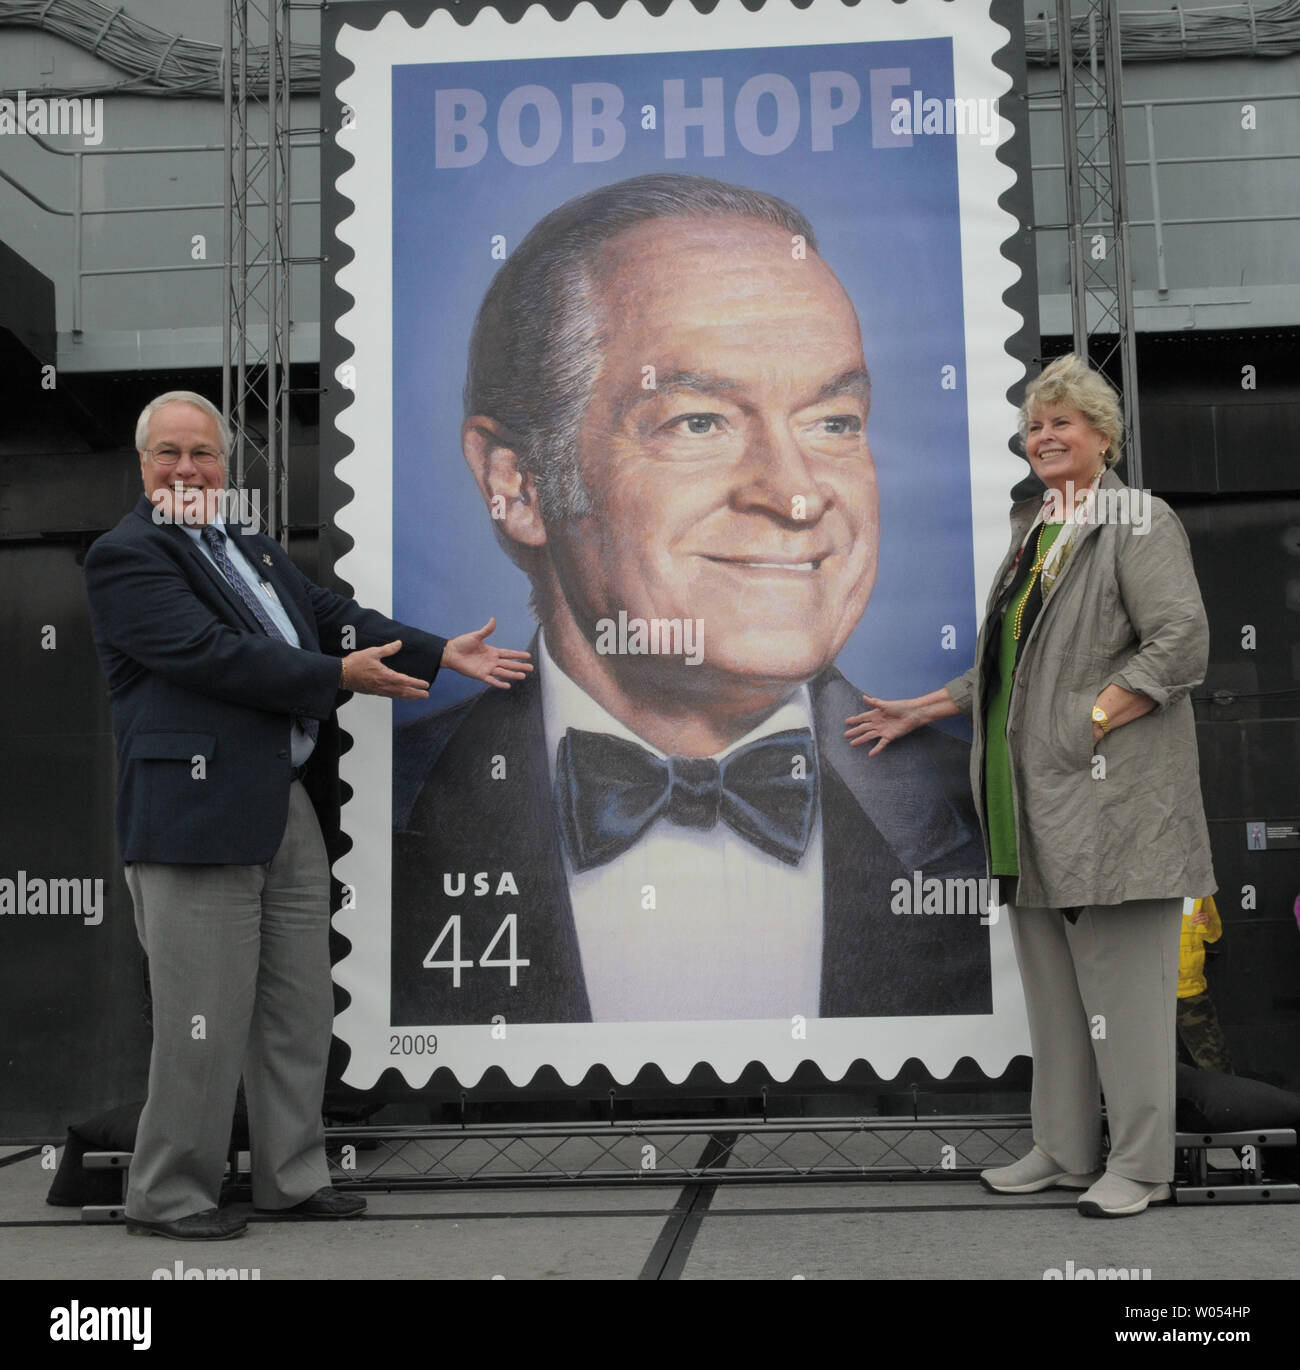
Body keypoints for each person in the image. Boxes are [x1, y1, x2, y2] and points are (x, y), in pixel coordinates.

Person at [391, 172, 990, 1027]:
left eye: (833, 423)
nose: (795, 495)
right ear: (518, 485)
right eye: (698, 422)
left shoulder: (980, 805)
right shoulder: (376, 819)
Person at [84, 391, 530, 1240]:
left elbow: (330, 617)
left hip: (283, 805)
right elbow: (209, 655)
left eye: (203, 454)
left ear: (226, 465)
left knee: (298, 1012)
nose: (187, 468)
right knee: (201, 1018)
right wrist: (336, 680)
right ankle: (170, 1194)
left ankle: (290, 1178)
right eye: (169, 453)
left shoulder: (247, 548)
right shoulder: (126, 556)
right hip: (192, 814)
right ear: (143, 466)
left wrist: (439, 651)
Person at [846, 354, 1215, 1217]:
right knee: (1056, 999)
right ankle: (1063, 1148)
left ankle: (1141, 1166)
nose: (1043, 437)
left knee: (1123, 1002)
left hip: (1112, 808)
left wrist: (1083, 722)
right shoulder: (1037, 528)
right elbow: (1014, 667)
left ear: (1102, 437)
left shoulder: (1137, 518)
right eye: (1034, 426)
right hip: (1028, 808)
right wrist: (928, 707)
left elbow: (1182, 643)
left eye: (1062, 424)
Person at [1177, 895, 1233, 1073]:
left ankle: (1224, 1099)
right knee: (1151, 1063)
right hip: (1148, 988)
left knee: (1214, 1061)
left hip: (1190, 990)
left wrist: (1206, 923)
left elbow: (1214, 934)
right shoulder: (1140, 884)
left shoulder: (1198, 888)